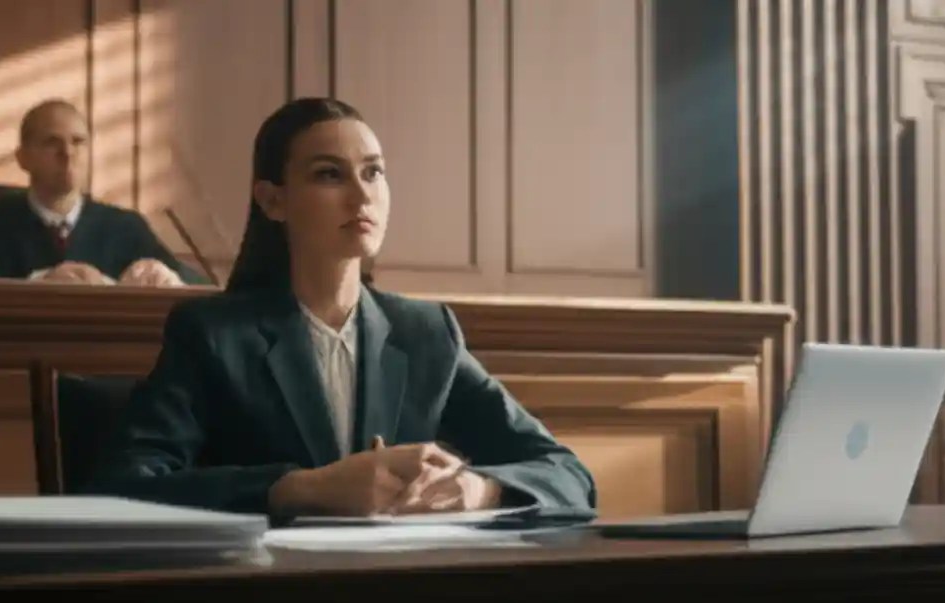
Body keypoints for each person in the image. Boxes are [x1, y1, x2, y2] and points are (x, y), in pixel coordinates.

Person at [86, 97, 596, 522]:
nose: (362, 196)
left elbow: (565, 473)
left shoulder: (426, 334)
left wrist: (482, 491)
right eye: (330, 174)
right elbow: (122, 486)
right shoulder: (212, 335)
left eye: (373, 172)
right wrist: (299, 489)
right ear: (272, 201)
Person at [0, 98, 207, 287]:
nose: (68, 154)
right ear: (23, 157)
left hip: (108, 371)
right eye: (51, 143)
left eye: (78, 142)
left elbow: (197, 289)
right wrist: (38, 284)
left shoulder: (126, 228)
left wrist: (167, 278)